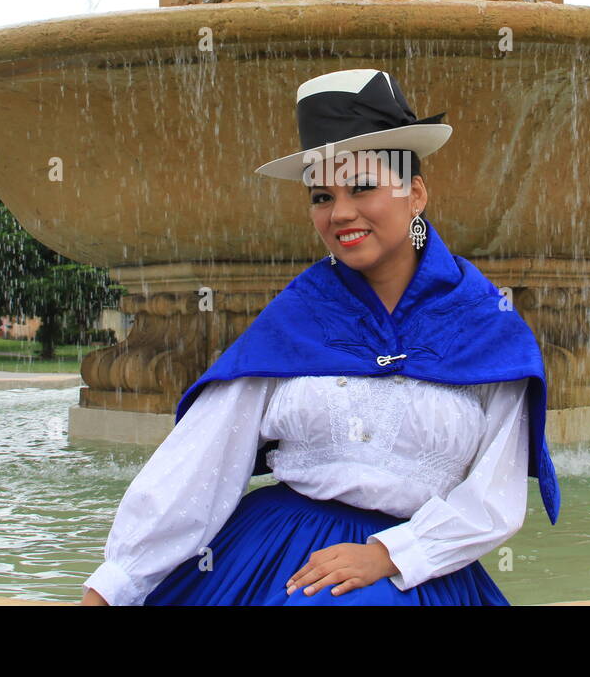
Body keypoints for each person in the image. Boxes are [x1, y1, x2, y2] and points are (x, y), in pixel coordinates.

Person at [81, 68, 560, 605]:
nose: (341, 213)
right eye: (321, 197)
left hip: (412, 565)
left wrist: (390, 554)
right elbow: (203, 460)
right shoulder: (295, 319)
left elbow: (494, 497)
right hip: (272, 551)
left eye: (362, 188)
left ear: (415, 192)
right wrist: (117, 581)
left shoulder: (487, 325)